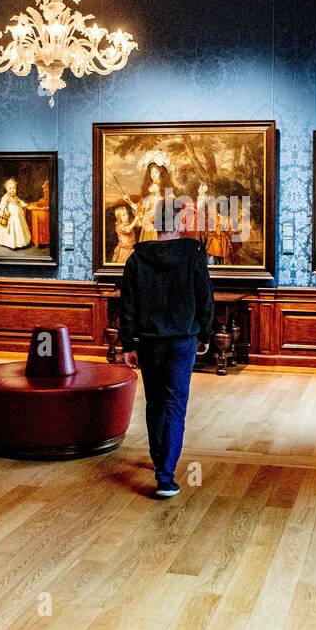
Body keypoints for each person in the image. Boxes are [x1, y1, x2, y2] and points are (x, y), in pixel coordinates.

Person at [119, 196, 215, 499]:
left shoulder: (136, 259)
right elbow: (205, 299)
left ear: (152, 223)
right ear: (180, 224)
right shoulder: (193, 257)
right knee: (175, 406)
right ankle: (165, 475)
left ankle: (160, 460)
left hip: (149, 342)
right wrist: (205, 334)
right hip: (183, 339)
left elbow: (128, 307)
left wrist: (128, 343)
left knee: (154, 403)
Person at [0, 177, 32, 250]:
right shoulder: (5, 197)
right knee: (9, 226)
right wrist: (5, 210)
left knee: (19, 225)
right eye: (10, 188)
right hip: (10, 214)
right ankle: (9, 242)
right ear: (6, 189)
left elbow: (19, 200)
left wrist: (23, 203)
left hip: (17, 214)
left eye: (14, 188)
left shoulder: (15, 196)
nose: (12, 190)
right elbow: (2, 205)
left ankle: (19, 241)